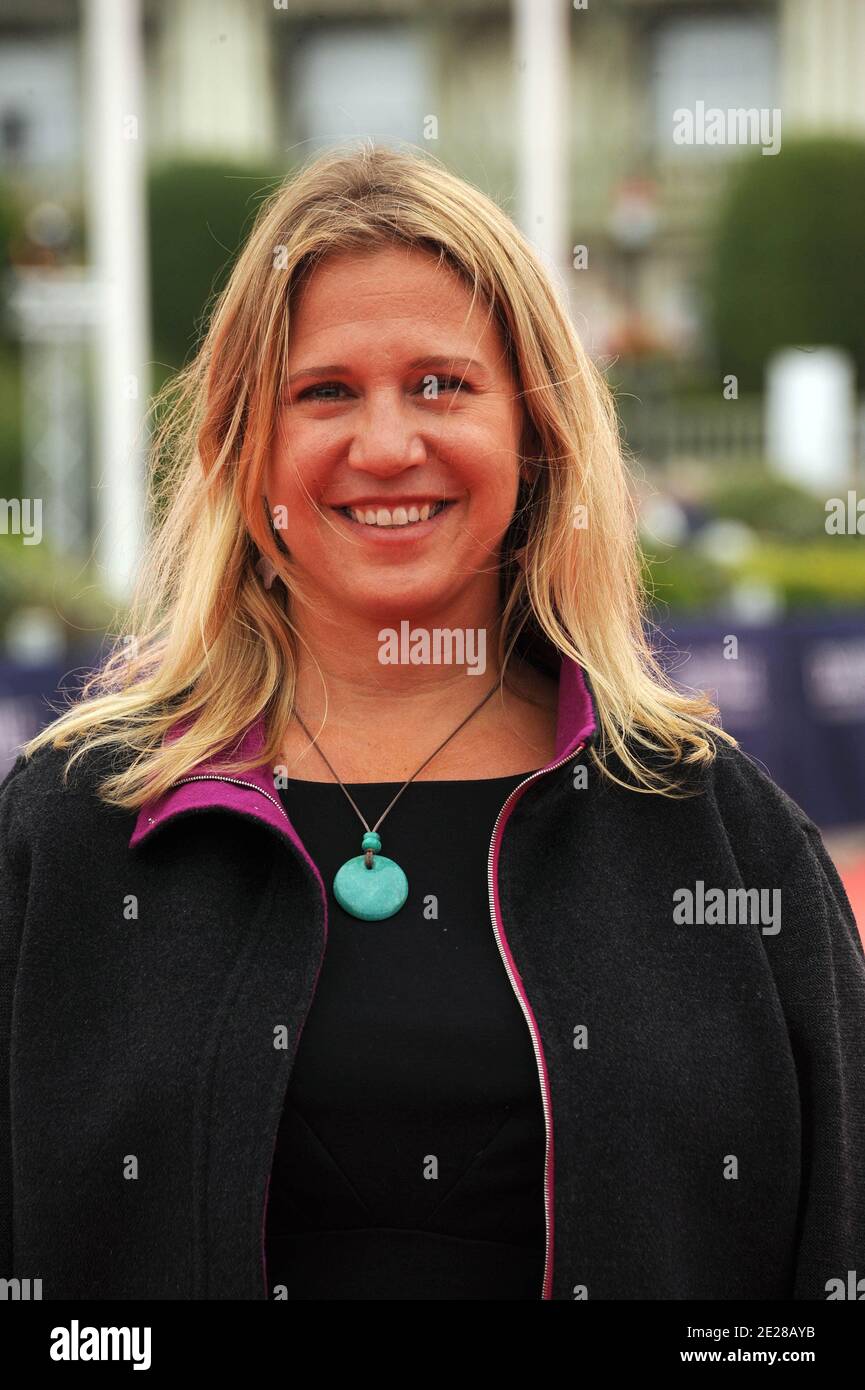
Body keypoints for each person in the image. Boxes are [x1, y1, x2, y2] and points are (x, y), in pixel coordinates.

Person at [2, 142, 863, 1302]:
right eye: (325, 391)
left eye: (441, 384)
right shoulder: (71, 829)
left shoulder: (721, 836)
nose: (387, 444)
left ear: (535, 435)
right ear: (242, 443)